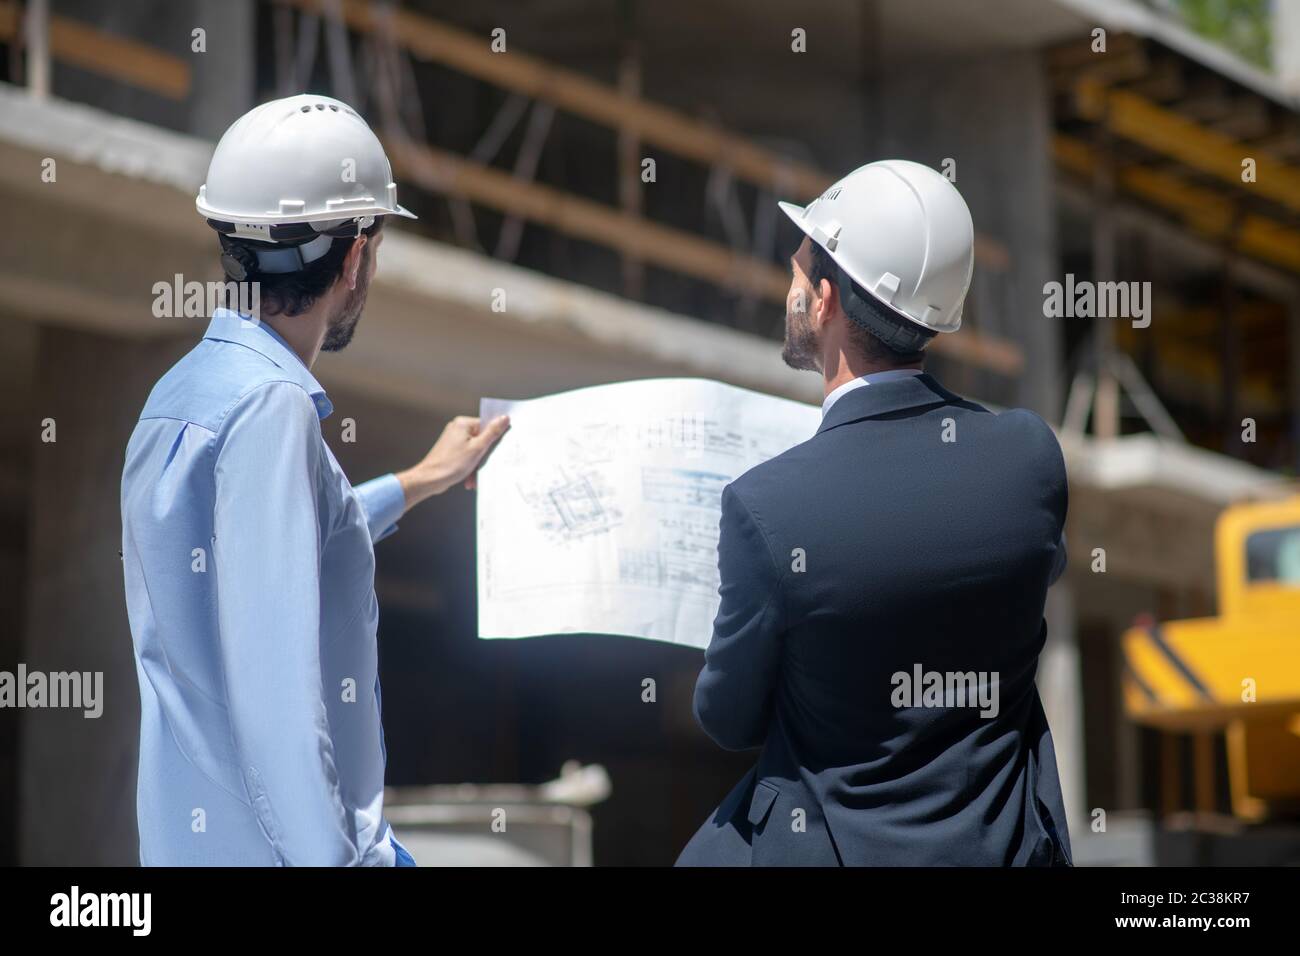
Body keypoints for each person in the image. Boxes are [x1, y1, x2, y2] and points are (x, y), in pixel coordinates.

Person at [120, 94, 508, 866]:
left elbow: (259, 558)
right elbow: (278, 706)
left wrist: (420, 480)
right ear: (358, 256)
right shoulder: (274, 409)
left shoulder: (182, 396)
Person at [677, 160, 1072, 866]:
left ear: (824, 301)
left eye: (798, 271)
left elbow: (729, 717)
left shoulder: (767, 505)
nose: (790, 286)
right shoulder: (1029, 457)